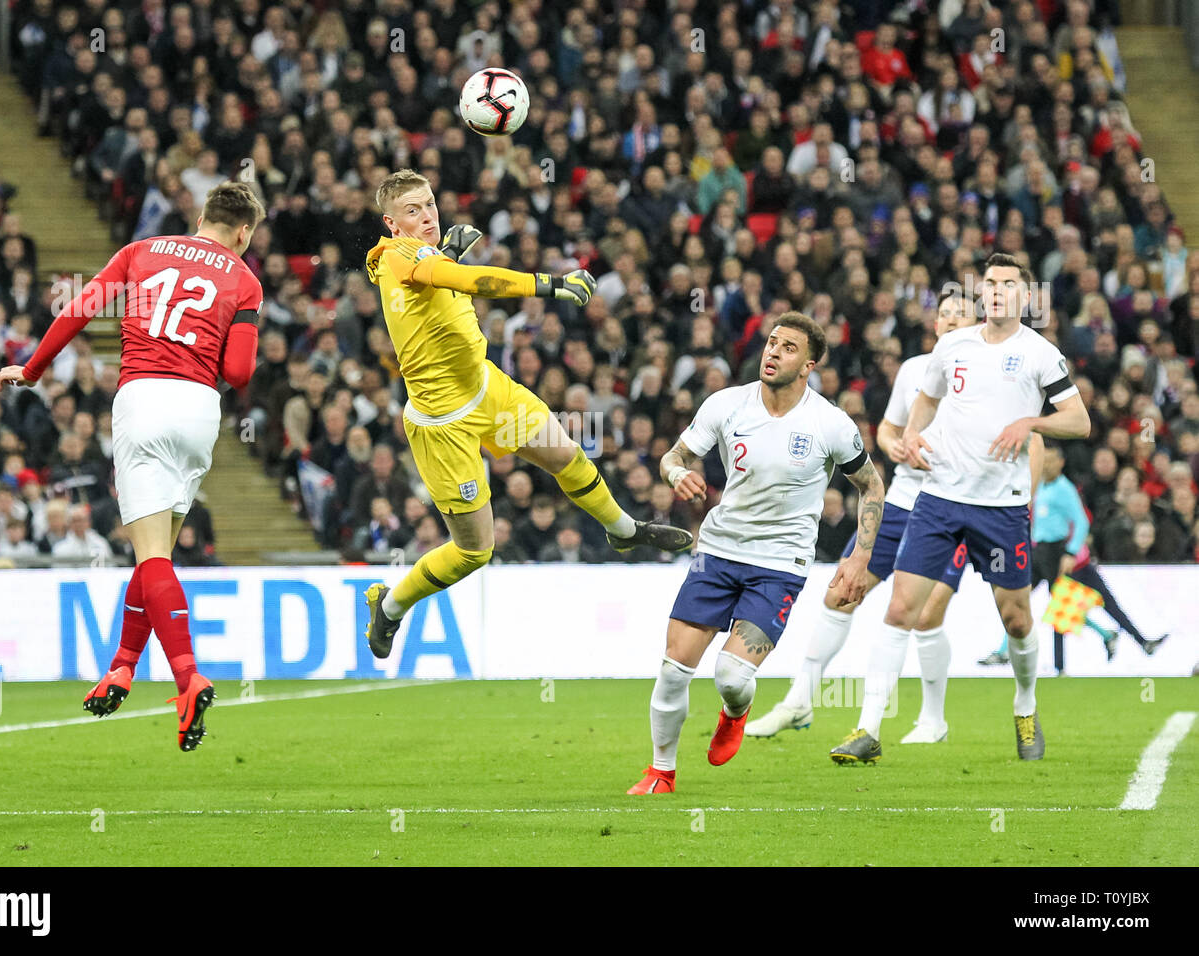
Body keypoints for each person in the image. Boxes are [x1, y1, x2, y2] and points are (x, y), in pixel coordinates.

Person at [361, 169, 692, 659]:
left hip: (487, 390)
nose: (428, 215)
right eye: (414, 210)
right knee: (475, 550)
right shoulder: (399, 257)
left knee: (567, 456)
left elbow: (437, 289)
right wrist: (550, 284)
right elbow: (472, 280)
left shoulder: (426, 255)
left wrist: (446, 252)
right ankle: (389, 607)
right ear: (392, 222)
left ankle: (626, 532)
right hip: (442, 425)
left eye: (430, 204)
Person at [0, 181, 266, 751]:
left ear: (200, 216)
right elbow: (240, 373)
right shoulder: (243, 280)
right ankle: (122, 665)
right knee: (157, 557)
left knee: (148, 556)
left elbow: (80, 309)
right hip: (199, 411)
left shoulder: (141, 252)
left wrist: (34, 368)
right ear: (243, 232)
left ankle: (188, 677)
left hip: (143, 398)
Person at [744, 291, 1044, 745]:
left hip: (958, 505)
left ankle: (932, 719)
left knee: (924, 616)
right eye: (942, 314)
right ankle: (799, 700)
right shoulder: (913, 370)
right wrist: (894, 445)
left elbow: (1034, 441)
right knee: (841, 594)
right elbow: (887, 428)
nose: (947, 321)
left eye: (958, 315)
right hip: (902, 501)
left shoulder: (997, 372)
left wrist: (1024, 502)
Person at [830, 254, 1090, 765]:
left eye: (1007, 284)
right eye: (989, 284)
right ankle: (868, 728)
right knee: (901, 609)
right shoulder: (953, 346)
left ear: (1025, 297)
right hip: (940, 500)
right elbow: (925, 400)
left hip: (1001, 508)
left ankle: (1025, 705)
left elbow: (1078, 421)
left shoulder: (1040, 354)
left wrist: (1030, 426)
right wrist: (909, 435)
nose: (996, 291)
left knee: (1016, 620)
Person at [627, 313, 885, 795]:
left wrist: (859, 558)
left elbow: (872, 486)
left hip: (779, 566)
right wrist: (673, 475)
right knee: (673, 668)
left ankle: (736, 711)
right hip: (718, 553)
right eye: (770, 342)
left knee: (730, 676)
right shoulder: (727, 405)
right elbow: (673, 456)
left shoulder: (830, 423)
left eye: (787, 347)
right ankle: (661, 771)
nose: (773, 352)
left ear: (808, 365)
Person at [977, 441, 1168, 672]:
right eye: (1042, 460)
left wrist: (1069, 552)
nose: (1045, 465)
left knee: (1068, 605)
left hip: (1061, 554)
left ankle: (1062, 661)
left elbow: (1081, 522)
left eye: (1049, 461)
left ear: (1060, 463)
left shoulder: (1063, 489)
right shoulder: (1038, 487)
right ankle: (1109, 638)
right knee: (1020, 599)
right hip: (1040, 552)